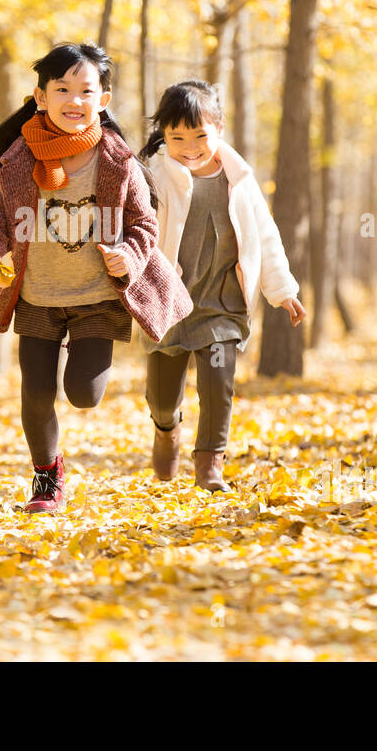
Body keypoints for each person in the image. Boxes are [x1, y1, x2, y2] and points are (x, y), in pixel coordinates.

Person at [0, 42, 191, 514]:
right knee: (36, 393)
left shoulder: (117, 163)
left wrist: (130, 257)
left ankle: (146, 406)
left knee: (83, 394)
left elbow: (143, 225)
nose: (74, 100)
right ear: (40, 97)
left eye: (86, 90)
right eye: (62, 89)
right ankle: (46, 477)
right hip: (36, 296)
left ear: (103, 100)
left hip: (98, 297)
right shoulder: (19, 160)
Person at [139, 80, 305, 491]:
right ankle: (166, 429)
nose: (189, 147)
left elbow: (264, 235)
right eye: (177, 137)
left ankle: (210, 463)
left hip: (222, 304)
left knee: (218, 382)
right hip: (169, 305)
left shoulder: (239, 179)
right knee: (163, 396)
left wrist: (283, 291)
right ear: (163, 134)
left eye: (200, 136)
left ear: (220, 129)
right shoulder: (154, 175)